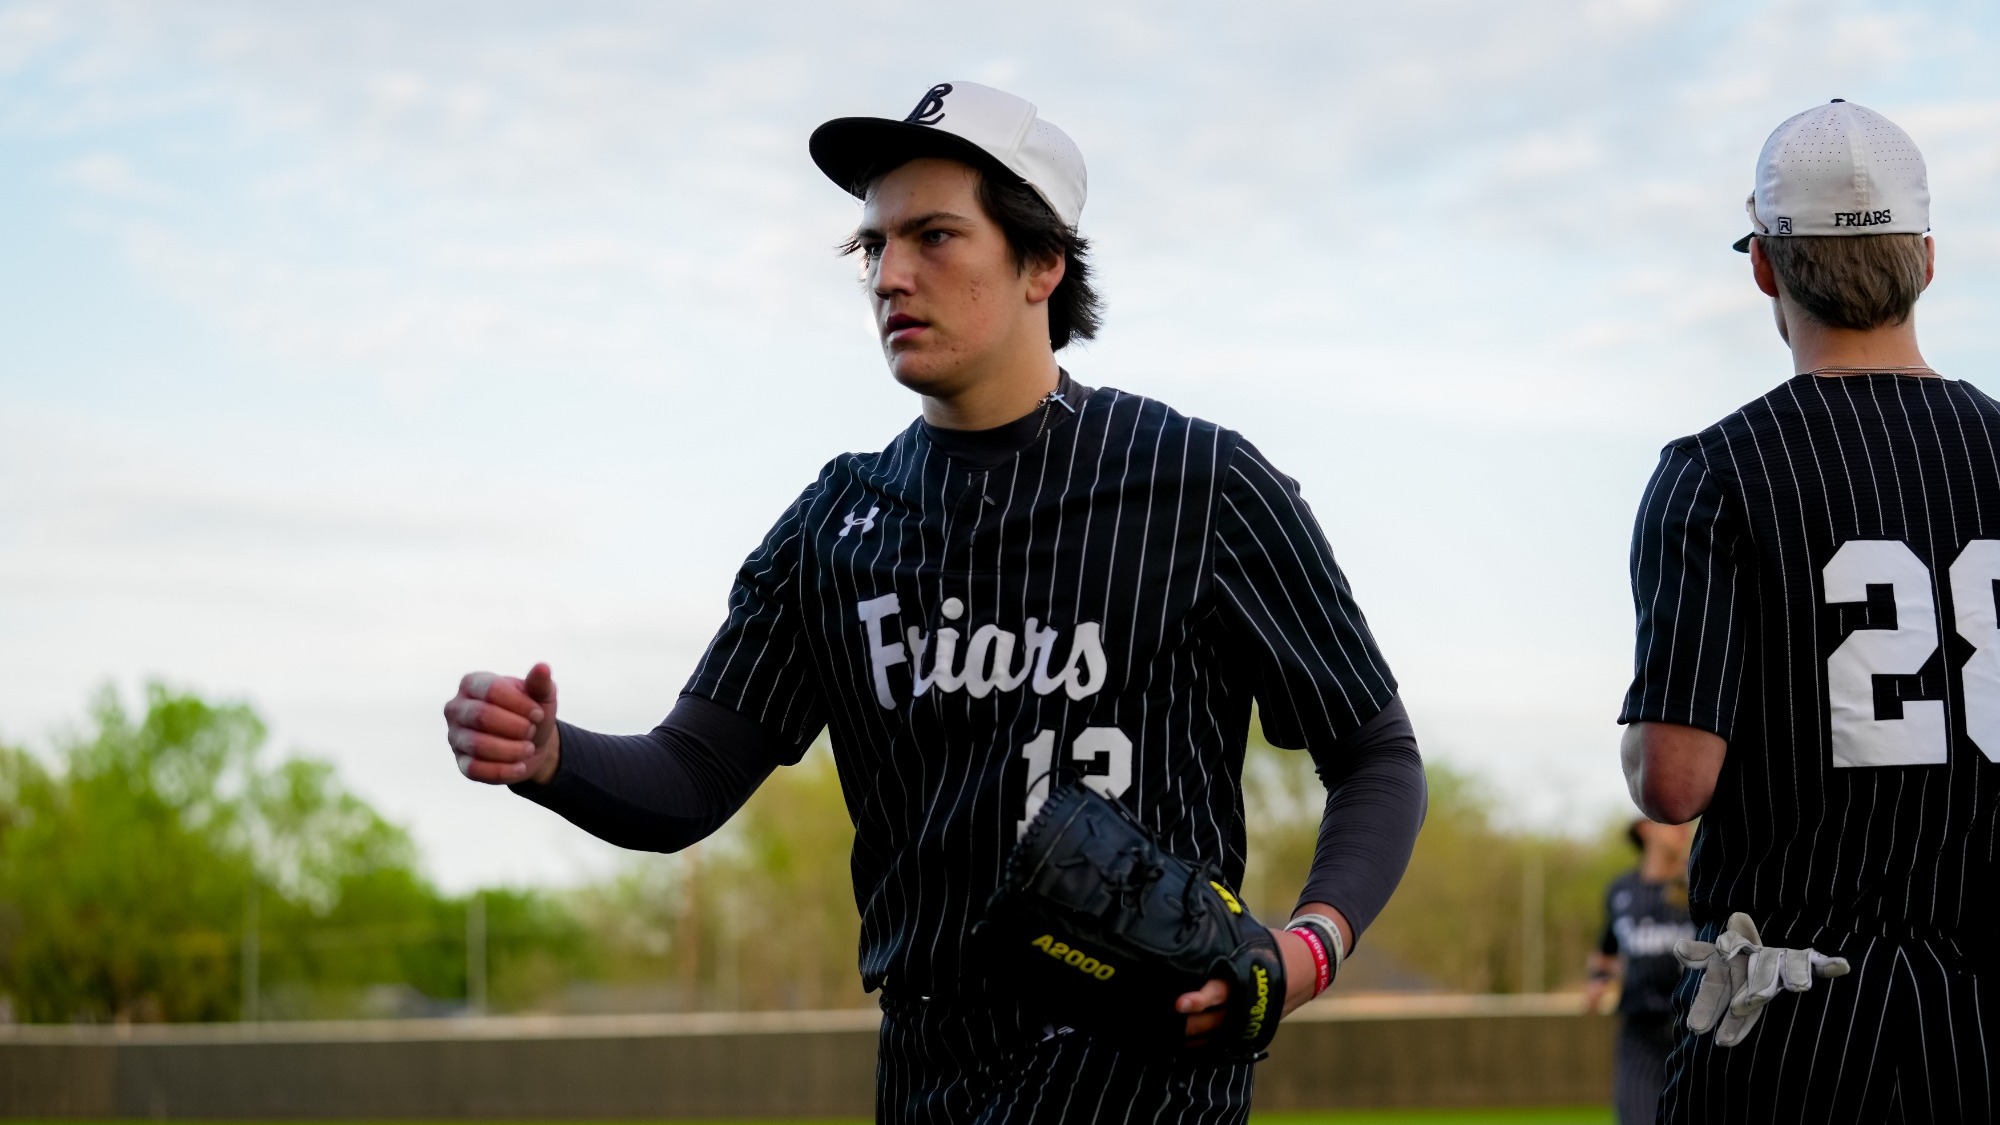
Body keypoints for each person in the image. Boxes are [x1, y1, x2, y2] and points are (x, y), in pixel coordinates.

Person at [441, 81, 1427, 1123]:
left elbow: (1373, 753)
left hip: (1138, 1063)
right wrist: (549, 757)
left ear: (1041, 262)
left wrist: (1308, 945)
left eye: (935, 236)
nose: (890, 276)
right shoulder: (837, 522)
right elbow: (688, 773)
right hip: (928, 1067)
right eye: (874, 247)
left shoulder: (1197, 483)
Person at [1618, 99, 1997, 1123]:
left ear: (1763, 269)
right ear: (1923, 257)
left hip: (1800, 1021)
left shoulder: (1714, 474)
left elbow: (1673, 780)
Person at [1585, 819, 1695, 1125]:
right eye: (1671, 822)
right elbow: (1605, 953)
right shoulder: (1622, 891)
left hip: (1696, 1030)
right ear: (1645, 828)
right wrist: (1597, 981)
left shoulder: (1700, 883)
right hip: (1641, 1032)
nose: (1683, 827)